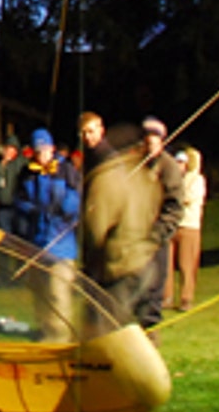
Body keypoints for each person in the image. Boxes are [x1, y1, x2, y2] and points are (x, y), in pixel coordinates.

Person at [79, 122, 181, 332]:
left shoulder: (163, 168)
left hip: (131, 259)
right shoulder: (136, 172)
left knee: (110, 321)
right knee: (133, 317)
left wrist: (157, 234)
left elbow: (97, 229)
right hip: (138, 256)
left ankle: (136, 361)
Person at [20, 127, 82, 340]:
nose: (42, 154)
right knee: (40, 293)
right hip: (37, 243)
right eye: (38, 151)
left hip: (61, 244)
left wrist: (67, 208)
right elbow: (19, 200)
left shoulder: (66, 171)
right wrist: (33, 211)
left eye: (45, 149)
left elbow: (76, 197)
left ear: (52, 149)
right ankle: (44, 329)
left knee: (58, 293)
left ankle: (61, 334)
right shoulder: (27, 173)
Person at [134, 117, 186, 331]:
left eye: (154, 142)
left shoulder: (169, 167)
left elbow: (175, 208)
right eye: (147, 142)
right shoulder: (134, 165)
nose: (150, 146)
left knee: (153, 290)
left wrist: (157, 233)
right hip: (134, 238)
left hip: (155, 240)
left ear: (162, 142)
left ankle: (151, 336)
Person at [164, 146, 207, 312]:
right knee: (166, 264)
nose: (179, 165)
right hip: (172, 225)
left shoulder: (197, 180)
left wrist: (173, 197)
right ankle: (166, 297)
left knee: (186, 265)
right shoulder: (175, 179)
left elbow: (187, 198)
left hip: (189, 226)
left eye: (182, 162)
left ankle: (186, 299)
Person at [0, 140, 24, 237]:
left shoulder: (20, 164)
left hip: (17, 207)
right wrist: (3, 164)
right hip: (3, 207)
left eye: (12, 150)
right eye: (7, 149)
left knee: (20, 234)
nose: (9, 152)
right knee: (4, 235)